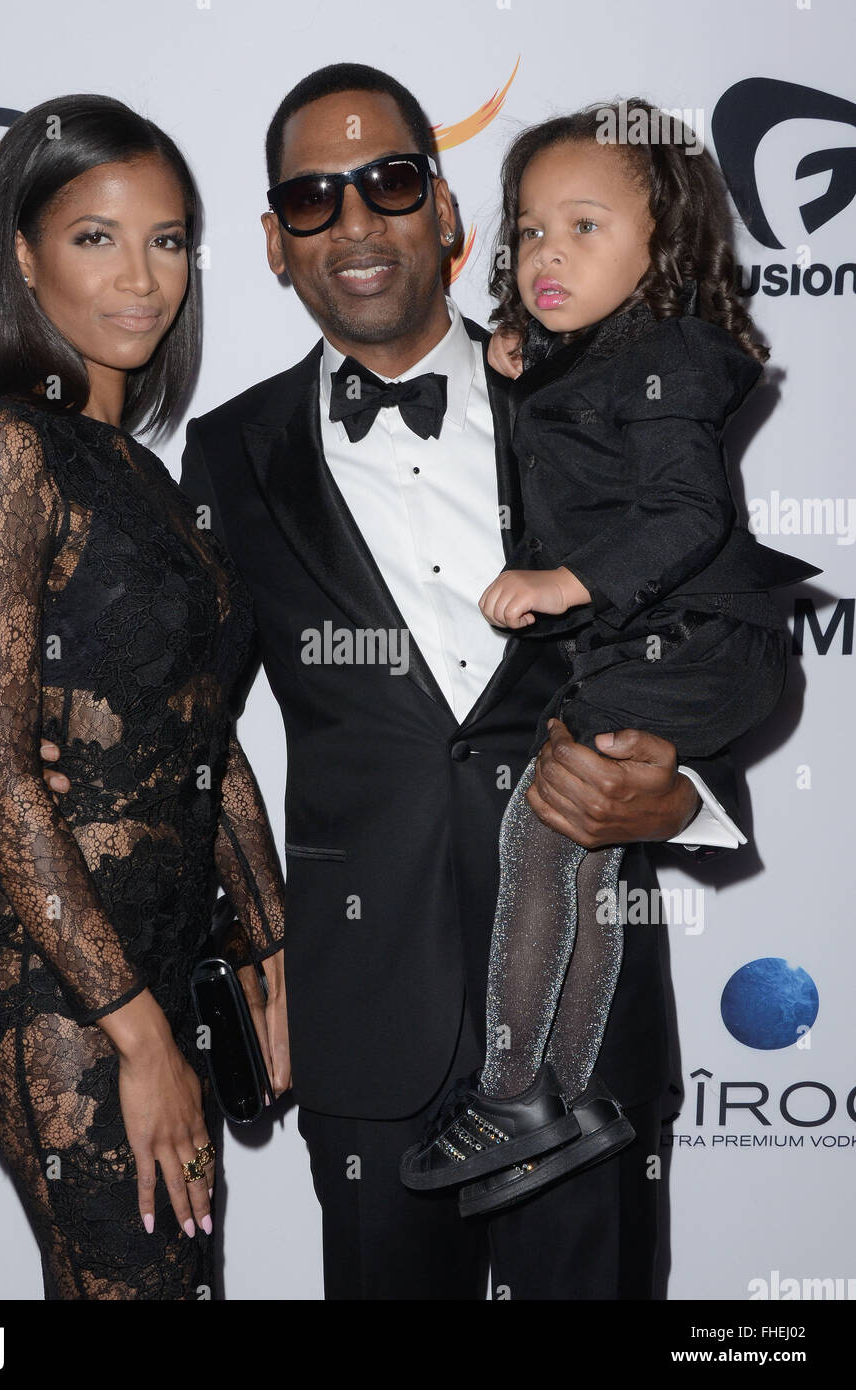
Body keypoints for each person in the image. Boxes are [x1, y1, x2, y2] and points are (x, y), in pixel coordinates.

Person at [45, 65, 748, 1299]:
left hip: (587, 1035)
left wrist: (681, 795)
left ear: (448, 215)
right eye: (313, 199)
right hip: (363, 1023)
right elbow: (185, 741)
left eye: (390, 183)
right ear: (272, 242)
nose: (355, 223)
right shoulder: (225, 456)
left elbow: (719, 616)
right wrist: (194, 962)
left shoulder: (591, 391)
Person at [399, 100, 820, 1215]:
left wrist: (563, 584)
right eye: (531, 230)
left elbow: (684, 515)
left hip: (691, 639)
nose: (546, 251)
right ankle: (564, 1097)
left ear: (662, 248)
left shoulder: (674, 361)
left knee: (542, 837)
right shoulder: (582, 358)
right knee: (575, 864)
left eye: (585, 227)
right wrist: (518, 356)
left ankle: (510, 1088)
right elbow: (576, 438)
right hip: (666, 644)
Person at [0, 93, 287, 1301]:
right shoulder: (4, 449)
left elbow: (207, 736)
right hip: (67, 997)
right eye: (97, 237)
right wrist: (137, 1035)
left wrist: (271, 937)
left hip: (160, 974)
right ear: (22, 255)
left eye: (169, 239)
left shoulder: (153, 476)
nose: (142, 276)